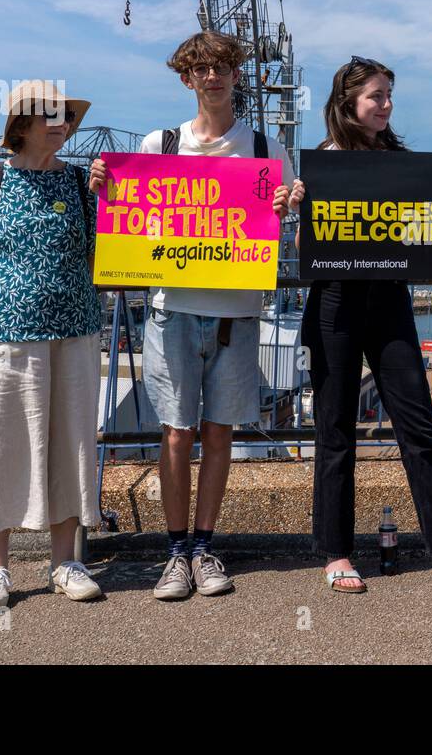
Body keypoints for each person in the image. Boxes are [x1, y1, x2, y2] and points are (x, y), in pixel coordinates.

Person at [88, 31, 300, 600]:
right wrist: (105, 189)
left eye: (222, 67)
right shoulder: (159, 143)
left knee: (218, 432)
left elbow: (280, 223)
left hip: (236, 313)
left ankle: (204, 547)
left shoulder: (264, 148)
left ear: (236, 75)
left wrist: (287, 207)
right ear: (186, 79)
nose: (212, 77)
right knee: (177, 434)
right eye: (201, 69)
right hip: (172, 310)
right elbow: (129, 218)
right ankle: (176, 552)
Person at [300, 55, 432, 593]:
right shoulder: (322, 162)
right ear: (349, 101)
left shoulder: (403, 163)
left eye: (389, 95)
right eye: (377, 95)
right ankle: (336, 553)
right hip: (334, 304)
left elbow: (429, 236)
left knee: (420, 429)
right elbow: (305, 249)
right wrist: (299, 211)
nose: (387, 105)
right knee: (334, 431)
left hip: (389, 301)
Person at [0, 80, 105, 611]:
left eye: (66, 115)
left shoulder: (79, 182)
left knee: (71, 442)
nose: (63, 123)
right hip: (10, 332)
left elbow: (101, 249)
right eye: (50, 115)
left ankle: (65, 562)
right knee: (3, 445)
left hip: (76, 329)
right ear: (21, 125)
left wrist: (111, 197)